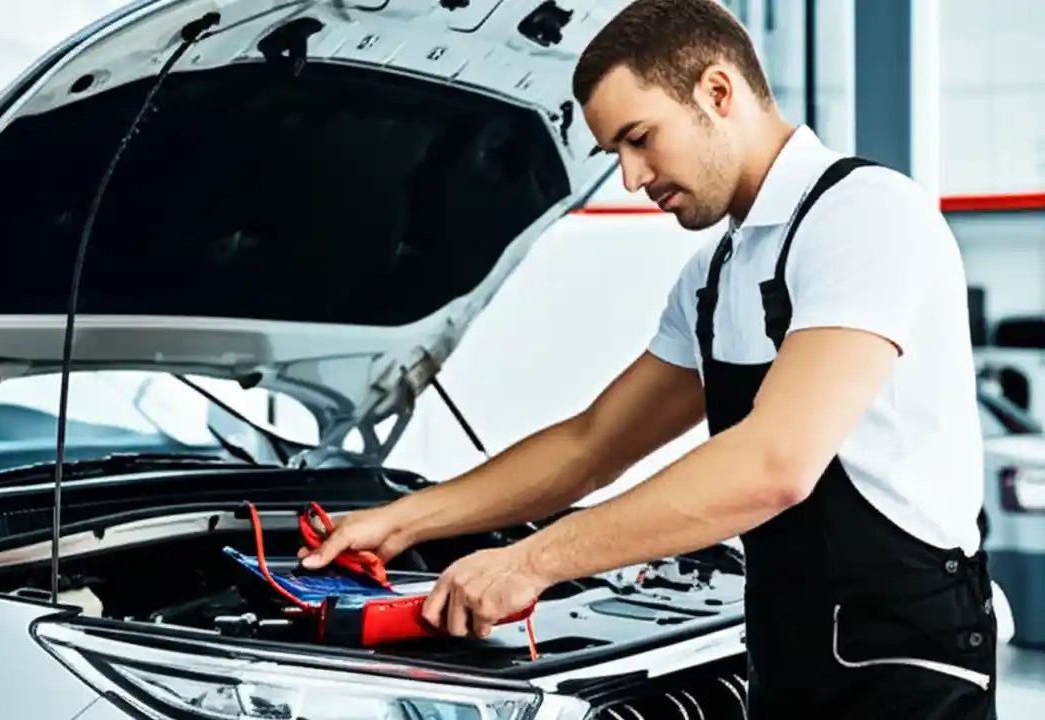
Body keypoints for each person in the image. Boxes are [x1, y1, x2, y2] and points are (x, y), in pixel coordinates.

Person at [300, 0, 997, 716]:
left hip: (903, 668)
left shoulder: (864, 216)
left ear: (717, 92)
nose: (632, 178)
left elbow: (775, 465)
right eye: (616, 155)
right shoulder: (714, 275)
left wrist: (531, 561)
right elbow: (591, 444)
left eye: (640, 139)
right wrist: (407, 521)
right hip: (790, 655)